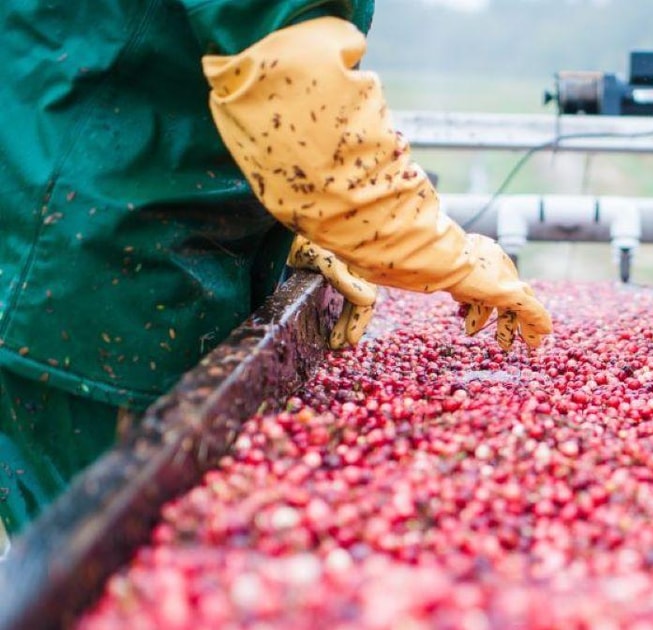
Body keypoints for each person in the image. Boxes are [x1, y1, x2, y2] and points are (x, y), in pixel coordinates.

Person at [0, 1, 551, 537]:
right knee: (111, 568)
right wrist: (438, 249)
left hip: (106, 235)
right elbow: (293, 87)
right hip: (93, 272)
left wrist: (292, 236)